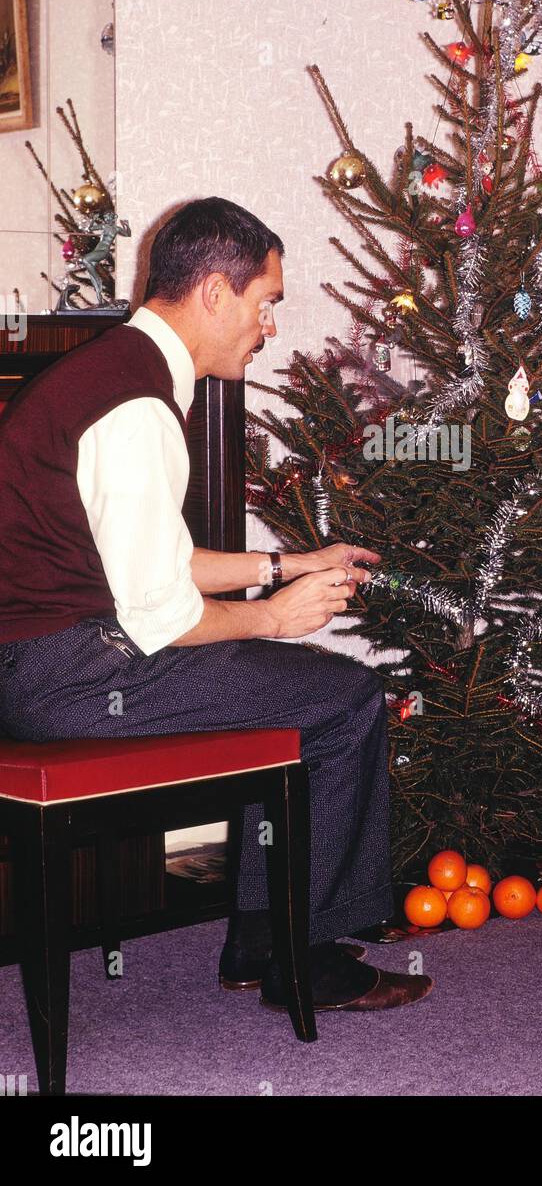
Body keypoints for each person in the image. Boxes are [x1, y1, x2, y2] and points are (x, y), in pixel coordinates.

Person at [0, 196, 432, 1014]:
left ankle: (258, 942)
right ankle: (311, 957)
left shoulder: (116, 370)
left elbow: (149, 564)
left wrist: (284, 565)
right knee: (344, 700)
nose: (268, 328)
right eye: (266, 303)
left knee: (265, 690)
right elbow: (161, 615)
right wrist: (275, 616)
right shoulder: (135, 406)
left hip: (46, 659)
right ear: (213, 293)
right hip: (71, 676)